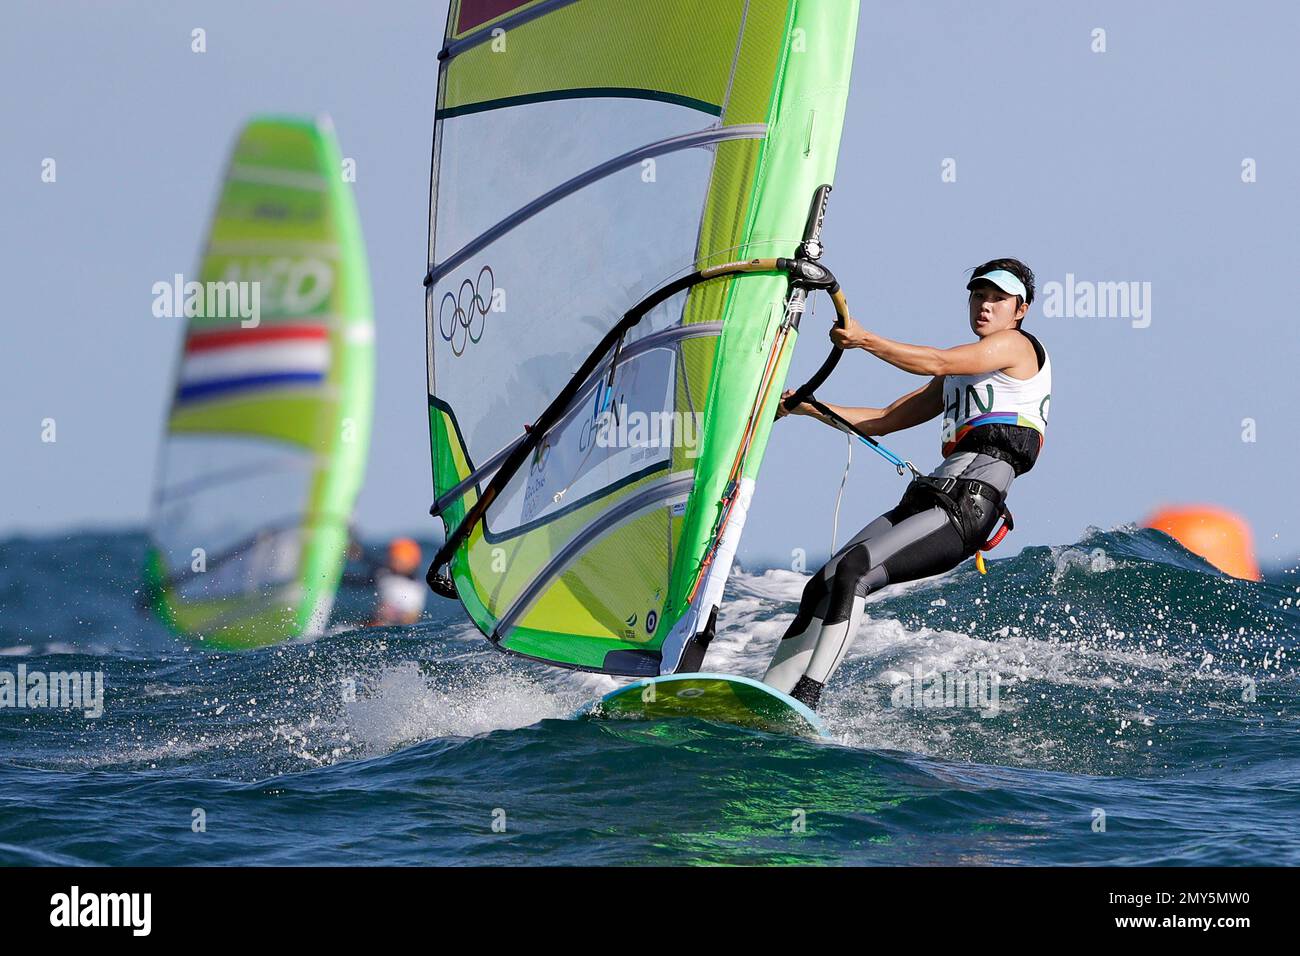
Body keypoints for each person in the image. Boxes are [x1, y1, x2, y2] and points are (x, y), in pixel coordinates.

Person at [765, 258, 1051, 709]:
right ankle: (769, 694)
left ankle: (807, 697)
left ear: (1021, 310)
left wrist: (864, 340)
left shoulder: (1016, 347)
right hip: (930, 496)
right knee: (822, 583)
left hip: (967, 507)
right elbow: (883, 420)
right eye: (979, 295)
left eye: (998, 298)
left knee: (855, 573)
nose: (985, 305)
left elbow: (934, 359)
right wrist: (805, 407)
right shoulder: (959, 375)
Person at [343, 537, 428, 627]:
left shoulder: (414, 587)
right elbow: (369, 563)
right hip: (374, 621)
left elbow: (412, 617)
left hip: (394, 626)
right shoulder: (385, 572)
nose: (395, 562)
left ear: (412, 562)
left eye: (399, 560)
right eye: (393, 558)